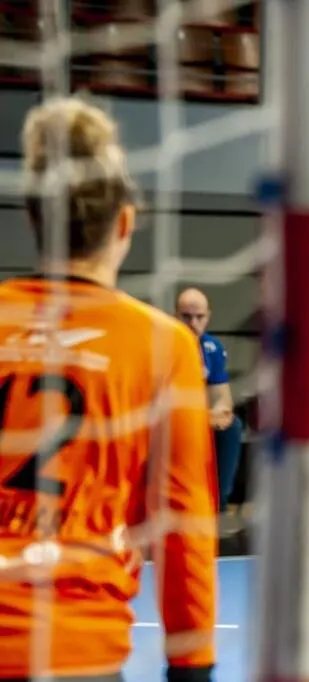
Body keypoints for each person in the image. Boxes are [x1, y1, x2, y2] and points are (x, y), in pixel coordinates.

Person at [0, 98, 216, 680]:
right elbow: (182, 524)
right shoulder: (162, 344)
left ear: (32, 217)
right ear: (125, 224)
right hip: (77, 645)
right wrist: (192, 666)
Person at [176, 287, 243, 511]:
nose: (193, 323)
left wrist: (220, 412)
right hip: (169, 419)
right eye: (186, 316)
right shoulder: (162, 345)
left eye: (199, 317)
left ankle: (217, 506)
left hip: (201, 419)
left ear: (208, 317)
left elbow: (222, 398)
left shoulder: (211, 348)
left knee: (231, 427)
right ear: (175, 316)